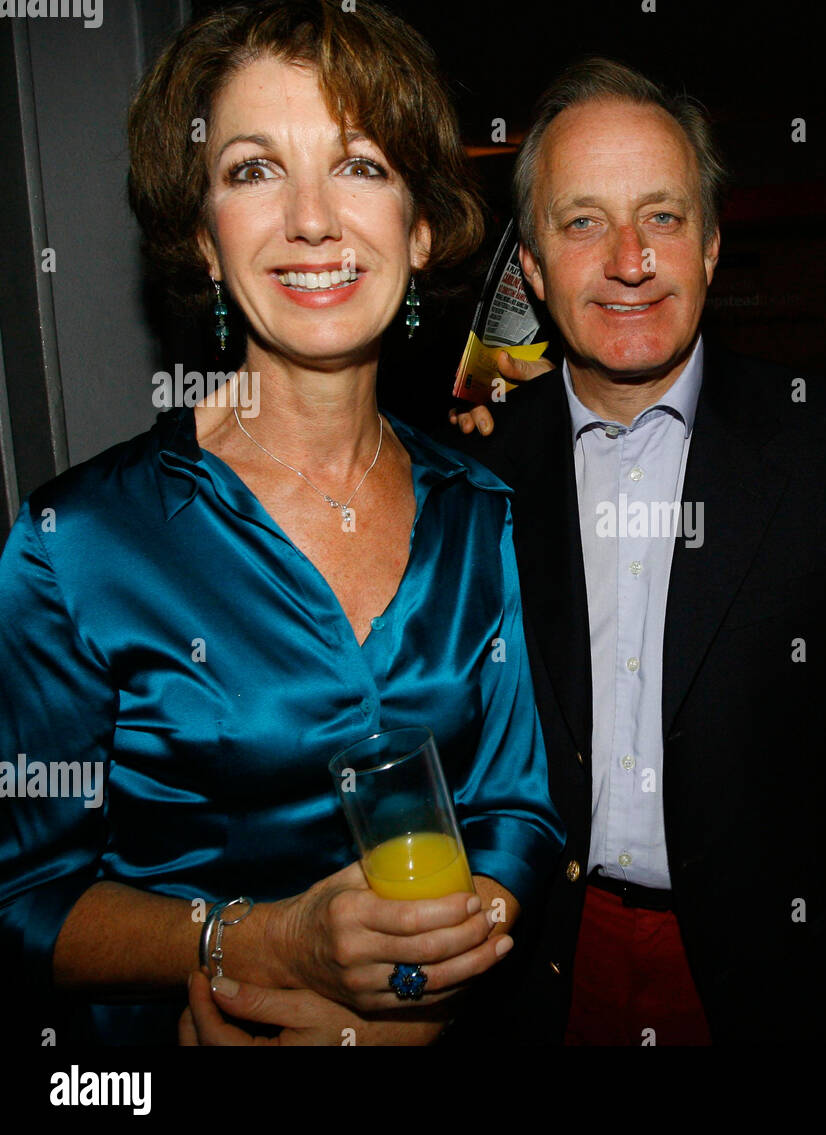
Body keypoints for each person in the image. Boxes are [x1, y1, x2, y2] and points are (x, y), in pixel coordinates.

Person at [0, 0, 562, 1047]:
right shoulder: (73, 545)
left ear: (421, 224)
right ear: (205, 238)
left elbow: (518, 818)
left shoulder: (481, 514)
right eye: (253, 170)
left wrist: (423, 992)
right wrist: (255, 945)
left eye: (359, 165)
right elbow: (27, 903)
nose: (312, 219)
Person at [440, 58, 826, 1045]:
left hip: (777, 982)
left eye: (661, 217)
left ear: (708, 245)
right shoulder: (465, 475)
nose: (629, 259)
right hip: (533, 969)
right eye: (582, 222)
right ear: (531, 268)